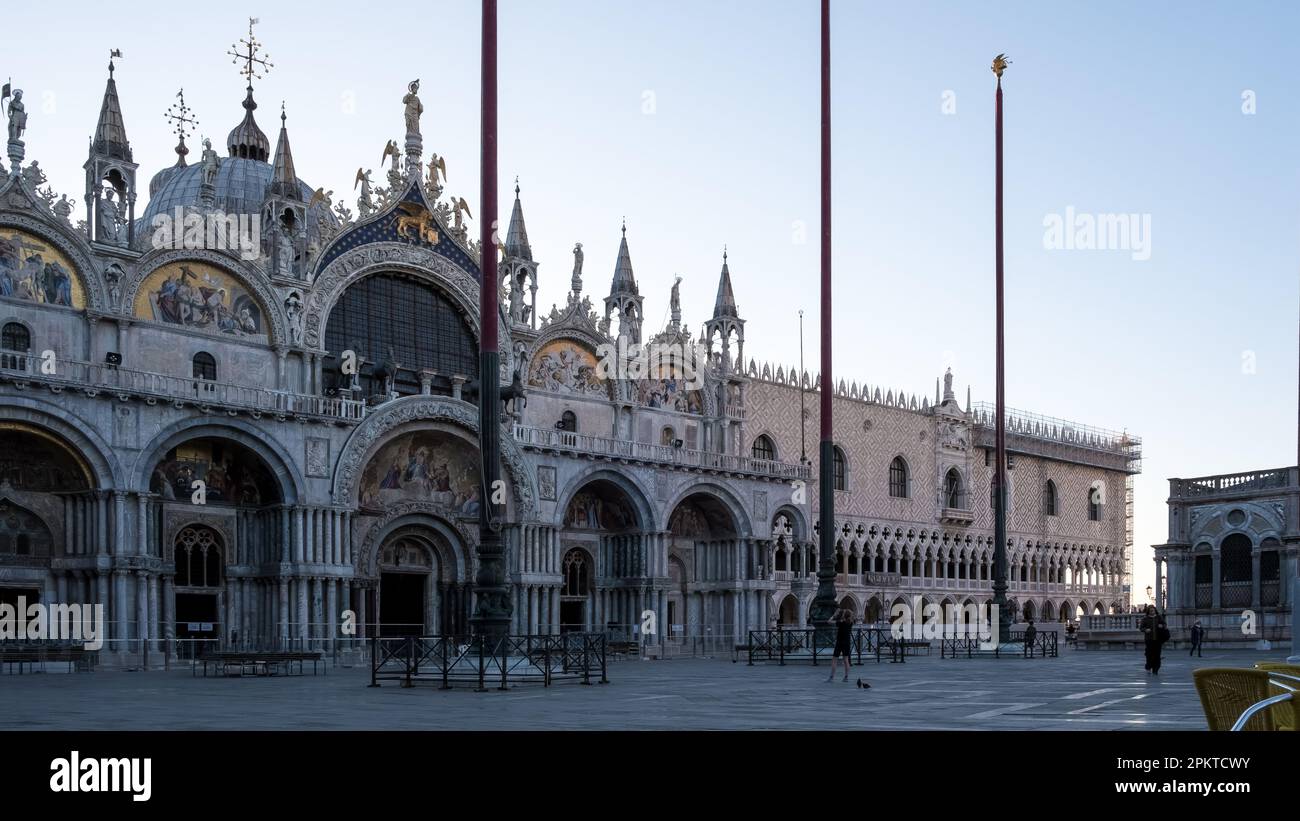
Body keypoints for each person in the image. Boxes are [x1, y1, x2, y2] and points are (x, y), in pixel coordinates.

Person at [1139, 604, 1170, 675]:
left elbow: (1165, 625)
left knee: (1157, 655)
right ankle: (1148, 667)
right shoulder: (1145, 619)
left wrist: (1162, 625)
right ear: (1148, 611)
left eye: (1153, 610)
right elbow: (1141, 628)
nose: (1152, 612)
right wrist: (1145, 630)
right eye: (1150, 611)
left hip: (1158, 639)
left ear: (1155, 610)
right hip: (1149, 639)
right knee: (1149, 654)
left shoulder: (1159, 617)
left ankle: (1156, 669)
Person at [827, 607, 854, 682]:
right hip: (847, 643)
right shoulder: (851, 623)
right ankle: (846, 677)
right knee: (846, 660)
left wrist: (834, 615)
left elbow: (829, 622)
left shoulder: (841, 622)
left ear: (844, 615)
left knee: (834, 660)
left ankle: (831, 677)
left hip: (839, 642)